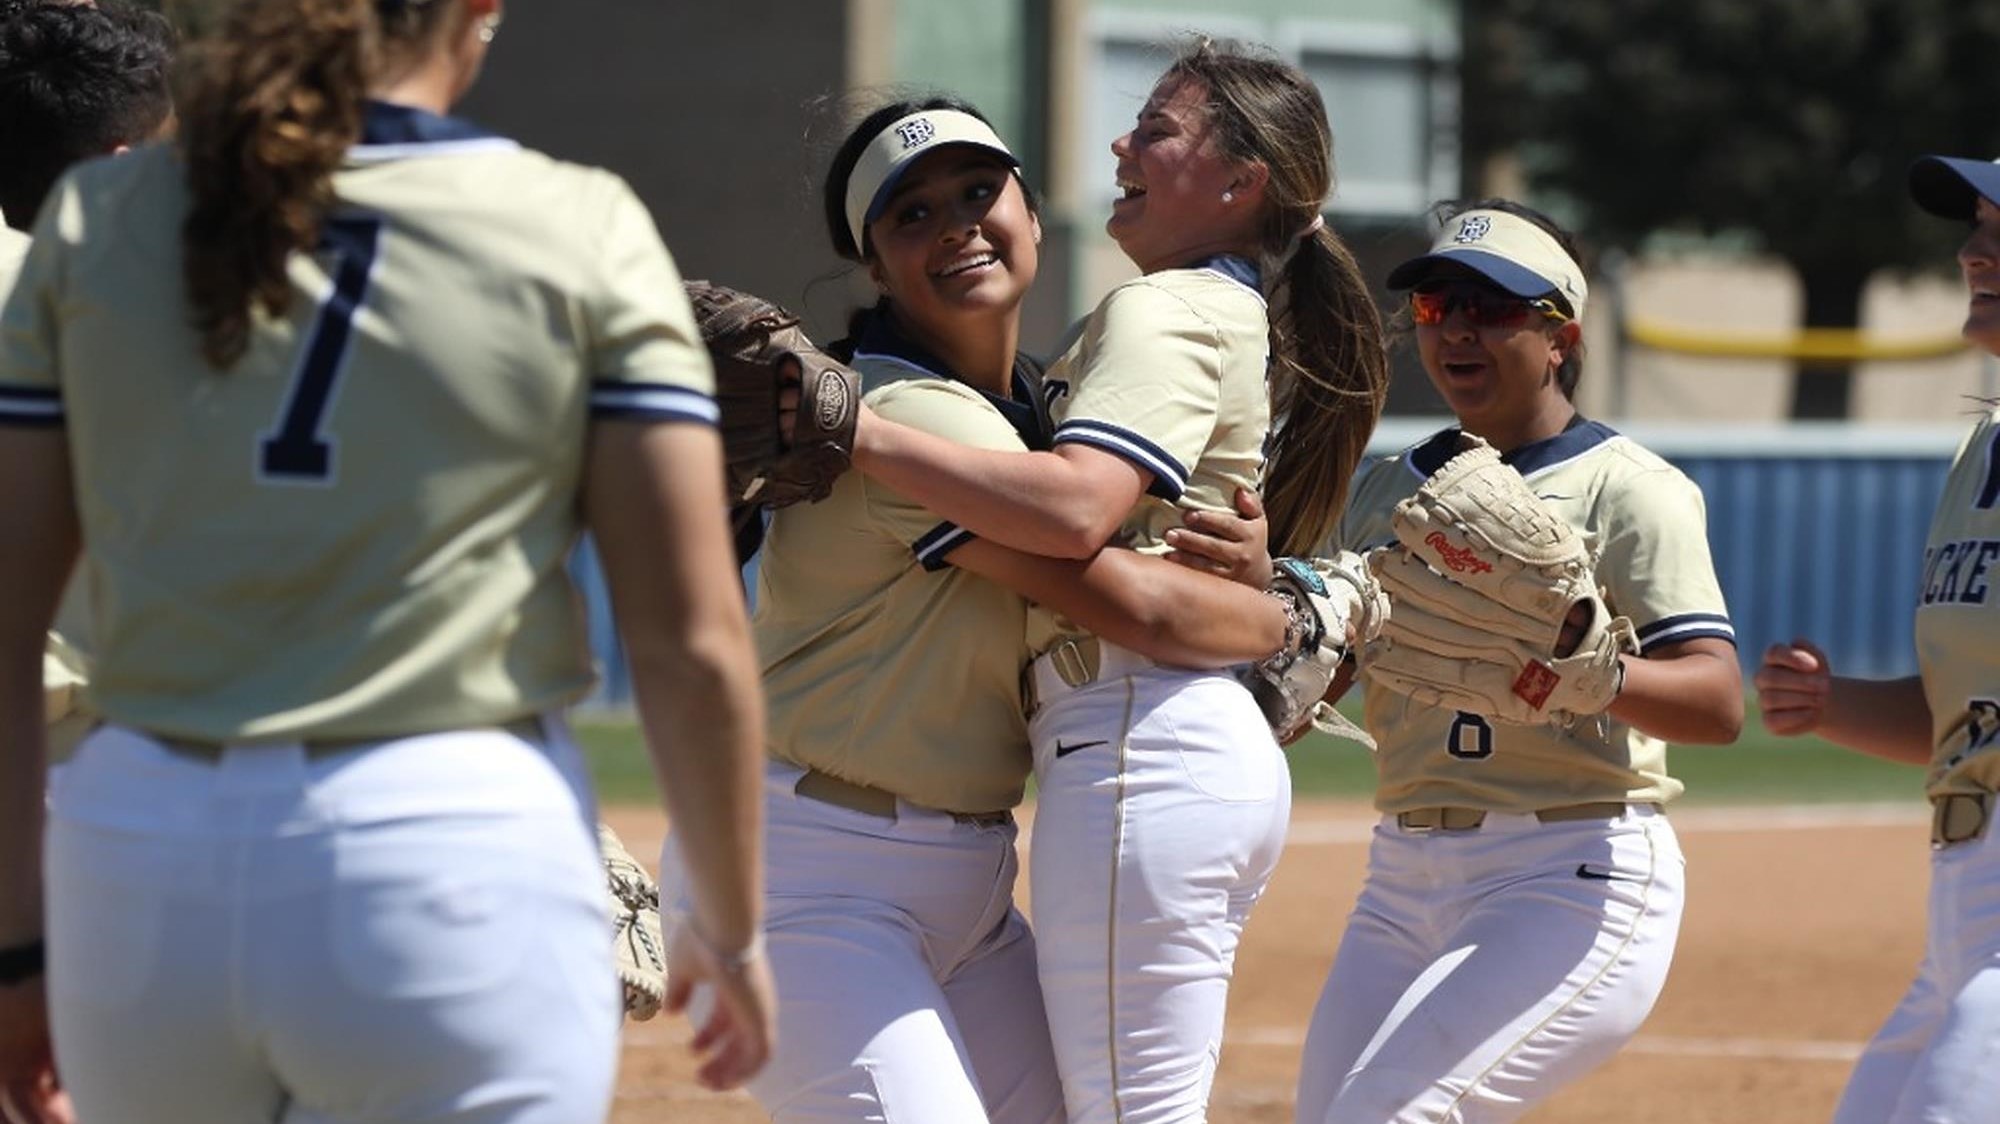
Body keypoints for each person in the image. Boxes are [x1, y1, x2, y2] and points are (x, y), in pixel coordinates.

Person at [0, 1, 773, 1121]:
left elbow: (10, 622)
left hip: (145, 851)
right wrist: (734, 931)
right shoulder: (572, 220)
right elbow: (688, 641)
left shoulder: (98, 216)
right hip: (441, 833)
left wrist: (18, 953)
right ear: (477, 17)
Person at [654, 91, 1296, 1124]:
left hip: (963, 890)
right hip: (806, 885)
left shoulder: (1030, 410)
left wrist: (1256, 570)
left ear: (1034, 216)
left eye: (975, 191)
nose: (953, 223)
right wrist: (1284, 613)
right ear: (874, 267)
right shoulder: (909, 414)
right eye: (909, 215)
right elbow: (1144, 607)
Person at [842, 40, 1389, 1123]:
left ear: (1240, 183)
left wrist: (853, 434)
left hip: (1139, 737)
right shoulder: (1205, 307)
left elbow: (1079, 508)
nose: (1120, 143)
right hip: (1178, 744)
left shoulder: (1167, 306)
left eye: (1157, 127)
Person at [1291, 198, 1743, 1123]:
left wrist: (1606, 677)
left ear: (1559, 335)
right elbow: (1327, 674)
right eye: (1437, 306)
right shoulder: (1389, 490)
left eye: (1493, 307)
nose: (1458, 328)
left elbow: (1716, 702)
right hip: (1401, 878)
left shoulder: (1629, 488)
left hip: (1570, 870)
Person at [1755, 155, 2000, 1124]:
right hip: (1960, 913)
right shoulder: (1981, 447)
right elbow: (1962, 717)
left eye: (1997, 228)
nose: (1969, 248)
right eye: (1972, 225)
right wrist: (1832, 704)